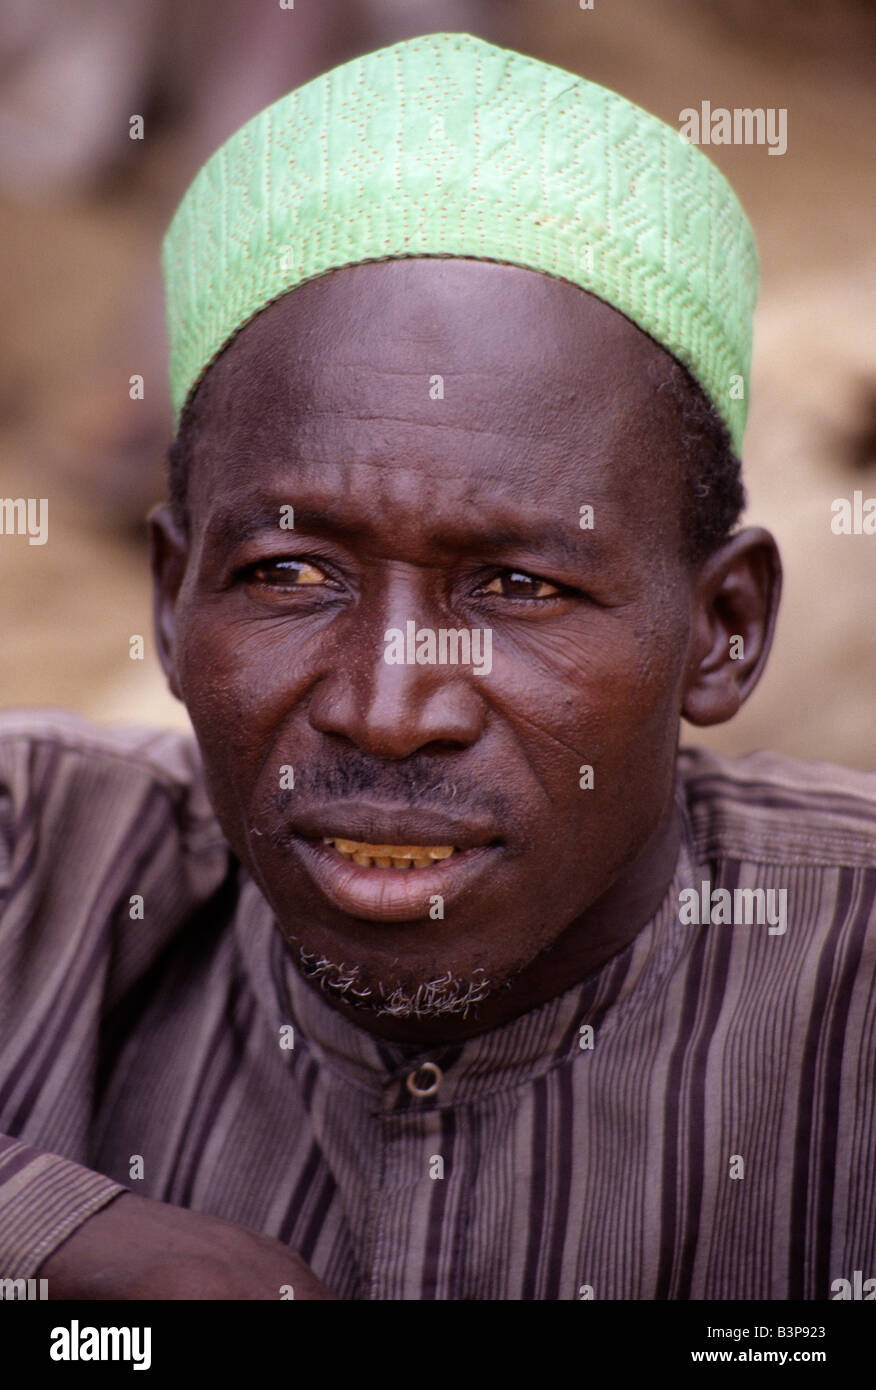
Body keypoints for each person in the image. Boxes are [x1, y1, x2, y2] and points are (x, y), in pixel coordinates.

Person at [1, 32, 873, 1302]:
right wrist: (59, 1237)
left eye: (520, 586)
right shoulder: (39, 865)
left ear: (723, 628)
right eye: (290, 574)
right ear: (172, 604)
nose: (387, 706)